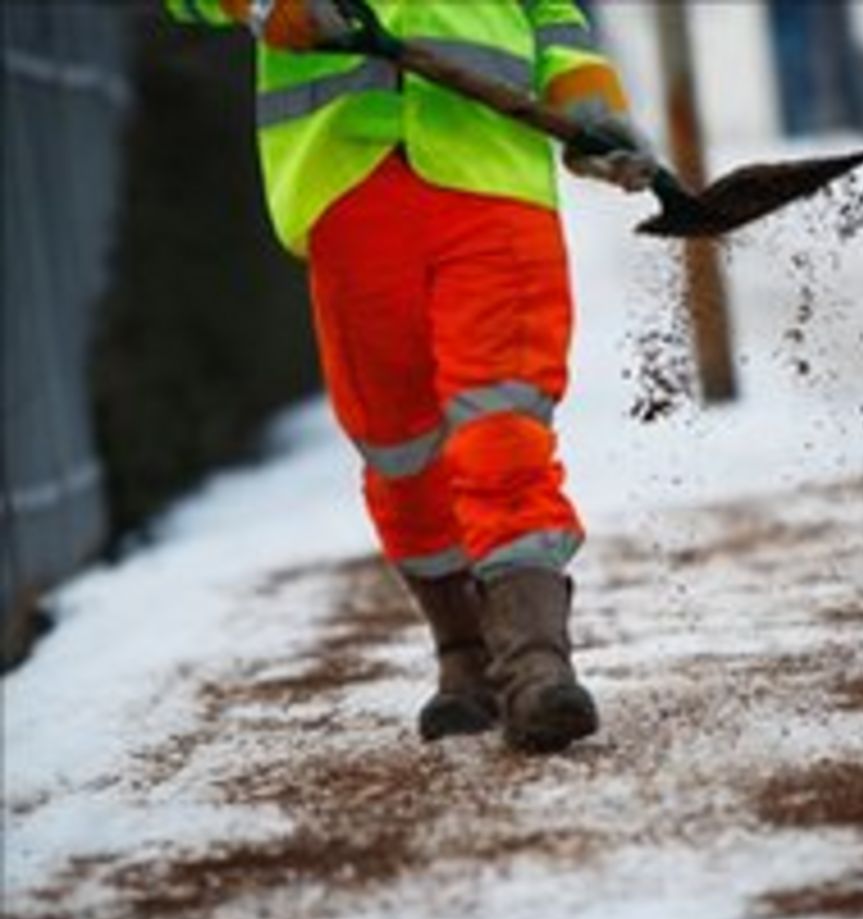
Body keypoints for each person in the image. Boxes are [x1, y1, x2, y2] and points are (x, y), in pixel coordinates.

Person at [164, 0, 655, 752]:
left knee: (504, 428)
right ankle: (464, 655)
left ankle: (537, 665)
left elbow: (550, 12)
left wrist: (585, 95)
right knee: (399, 451)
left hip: (494, 183)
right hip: (347, 188)